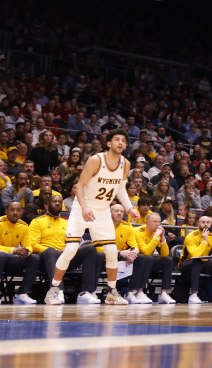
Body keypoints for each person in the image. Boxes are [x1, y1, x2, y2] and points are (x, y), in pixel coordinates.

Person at [46, 129, 136, 306]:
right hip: (82, 208)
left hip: (102, 211)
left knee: (111, 251)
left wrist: (130, 208)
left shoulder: (125, 164)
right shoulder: (96, 160)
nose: (120, 142)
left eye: (123, 140)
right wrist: (85, 207)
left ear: (126, 145)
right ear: (109, 143)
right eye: (116, 139)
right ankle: (53, 289)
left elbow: (120, 189)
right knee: (71, 249)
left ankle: (111, 293)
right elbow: (79, 186)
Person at [26, 193, 102, 305]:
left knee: (90, 248)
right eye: (54, 201)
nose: (57, 203)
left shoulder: (67, 223)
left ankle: (86, 292)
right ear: (47, 205)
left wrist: (68, 249)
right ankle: (57, 291)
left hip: (65, 257)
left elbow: (73, 242)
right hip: (45, 259)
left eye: (60, 202)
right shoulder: (37, 221)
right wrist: (56, 251)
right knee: (51, 252)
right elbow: (33, 245)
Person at [0, 200, 39, 304]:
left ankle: (22, 293)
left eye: (18, 210)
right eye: (12, 210)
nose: (15, 212)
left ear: (21, 212)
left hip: (10, 260)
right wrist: (14, 250)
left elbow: (29, 245)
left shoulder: (24, 226)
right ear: (6, 211)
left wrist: (27, 251)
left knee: (34, 258)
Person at [180, 214, 212, 304]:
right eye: (203, 222)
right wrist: (204, 240)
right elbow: (195, 255)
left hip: (202, 263)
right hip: (186, 263)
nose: (206, 224)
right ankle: (193, 294)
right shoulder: (191, 236)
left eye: (208, 222)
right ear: (198, 224)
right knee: (197, 261)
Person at [132, 211, 177, 304]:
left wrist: (163, 237)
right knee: (148, 258)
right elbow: (146, 252)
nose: (157, 224)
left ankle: (164, 293)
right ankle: (139, 291)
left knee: (167, 260)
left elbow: (165, 254)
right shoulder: (137, 232)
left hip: (148, 262)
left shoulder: (157, 233)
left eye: (159, 222)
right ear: (146, 223)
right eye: (154, 222)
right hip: (135, 262)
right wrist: (156, 236)